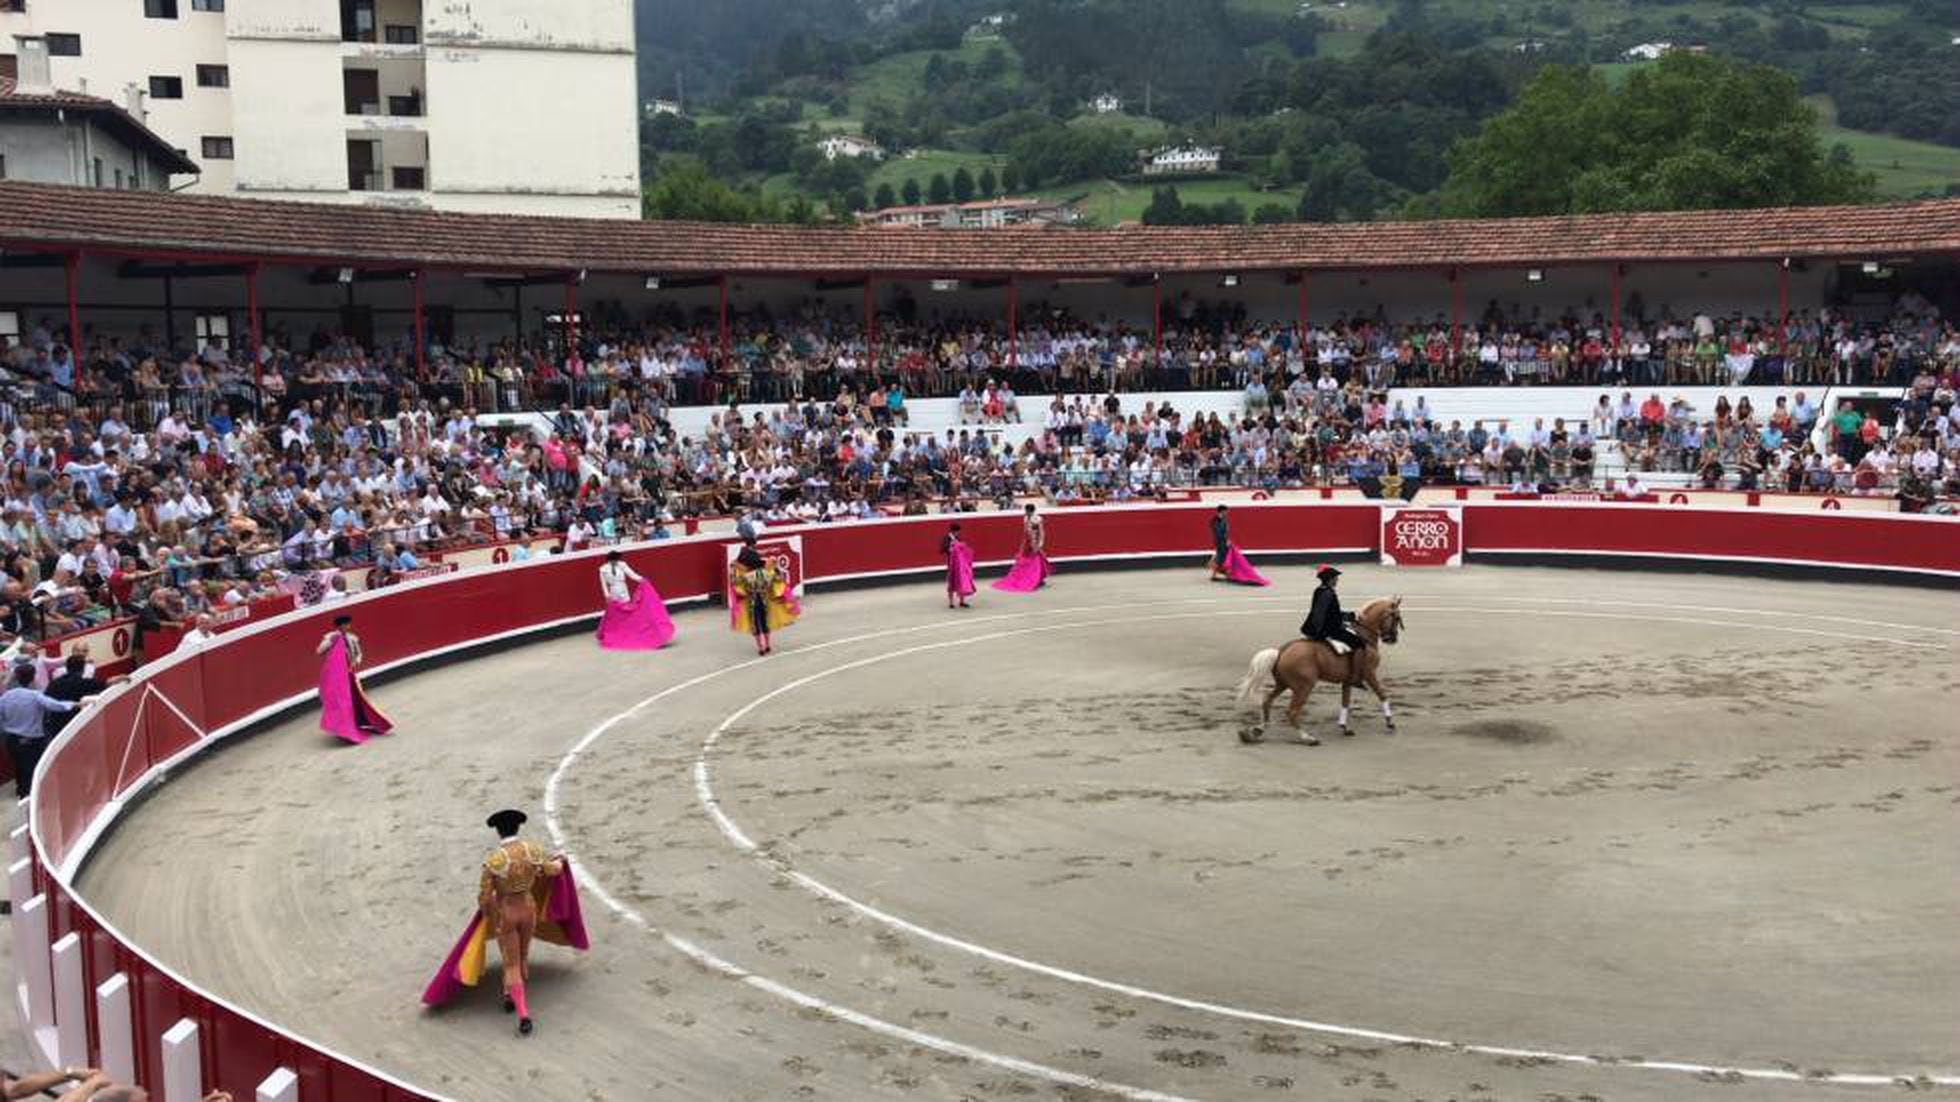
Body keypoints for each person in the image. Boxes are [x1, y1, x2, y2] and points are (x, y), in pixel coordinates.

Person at [479, 809, 564, 1036]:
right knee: (523, 956)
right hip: (529, 909)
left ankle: (522, 1013)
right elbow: (553, 870)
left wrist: (489, 918)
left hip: (507, 913)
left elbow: (485, 898)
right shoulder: (532, 850)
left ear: (498, 831)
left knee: (511, 964)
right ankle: (510, 994)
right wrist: (560, 862)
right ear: (518, 828)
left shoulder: (494, 861)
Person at [1, 664, 88, 798]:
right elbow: (55, 705)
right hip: (31, 741)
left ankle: (22, 791)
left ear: (17, 678)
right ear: (33, 678)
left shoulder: (6, 697)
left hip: (12, 740)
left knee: (20, 766)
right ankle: (31, 797)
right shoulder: (35, 696)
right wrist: (75, 704)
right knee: (33, 769)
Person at [315, 614, 393, 744]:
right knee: (340, 700)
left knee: (354, 700)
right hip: (336, 676)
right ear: (339, 625)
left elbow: (359, 655)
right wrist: (330, 641)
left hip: (349, 674)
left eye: (348, 624)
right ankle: (343, 728)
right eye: (345, 624)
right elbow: (319, 651)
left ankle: (353, 725)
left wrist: (355, 663)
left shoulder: (352, 638)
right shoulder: (330, 637)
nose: (348, 626)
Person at [595, 550, 675, 650]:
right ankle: (611, 632)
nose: (616, 562)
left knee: (626, 613)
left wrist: (641, 579)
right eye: (614, 560)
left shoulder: (622, 565)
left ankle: (626, 631)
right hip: (613, 592)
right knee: (614, 616)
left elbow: (631, 574)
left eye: (617, 560)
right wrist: (607, 595)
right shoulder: (603, 569)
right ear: (609, 560)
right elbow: (603, 584)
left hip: (623, 590)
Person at [729, 545, 797, 656]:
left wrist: (734, 568)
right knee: (765, 623)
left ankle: (760, 647)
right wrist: (775, 567)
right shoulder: (767, 573)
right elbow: (780, 578)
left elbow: (734, 582)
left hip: (752, 603)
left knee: (755, 625)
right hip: (765, 601)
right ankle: (767, 645)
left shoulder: (747, 576)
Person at [1300, 565, 1367, 673]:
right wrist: (1320, 633)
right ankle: (1356, 675)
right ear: (1330, 579)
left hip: (1325, 626)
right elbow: (1322, 615)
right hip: (1328, 629)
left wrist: (1351, 615)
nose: (1337, 580)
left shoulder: (1320, 590)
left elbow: (1332, 613)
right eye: (1336, 578)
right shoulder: (1328, 593)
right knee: (1359, 643)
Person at [991, 504, 1052, 593]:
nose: (1026, 512)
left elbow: (1041, 532)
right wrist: (1024, 544)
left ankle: (1038, 578)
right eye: (1025, 511)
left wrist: (1039, 544)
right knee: (1029, 560)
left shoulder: (1038, 519)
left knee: (1037, 560)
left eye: (1027, 511)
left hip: (1034, 541)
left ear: (1031, 511)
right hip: (1028, 542)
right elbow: (1026, 532)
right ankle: (1033, 578)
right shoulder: (1025, 518)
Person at [942, 523, 976, 610]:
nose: (958, 533)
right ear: (954, 531)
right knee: (951, 582)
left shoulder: (958, 538)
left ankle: (961, 601)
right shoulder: (947, 538)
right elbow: (943, 549)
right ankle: (951, 603)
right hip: (951, 563)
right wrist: (951, 548)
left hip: (959, 565)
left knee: (961, 581)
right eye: (957, 532)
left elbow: (963, 549)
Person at [1209, 505, 1231, 582]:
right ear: (1222, 511)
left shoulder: (1221, 519)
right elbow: (1219, 533)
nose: (1227, 512)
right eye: (1226, 511)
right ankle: (1217, 575)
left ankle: (1218, 574)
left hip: (1221, 541)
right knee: (1220, 557)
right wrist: (1226, 540)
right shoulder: (1217, 520)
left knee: (1221, 557)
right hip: (1221, 541)